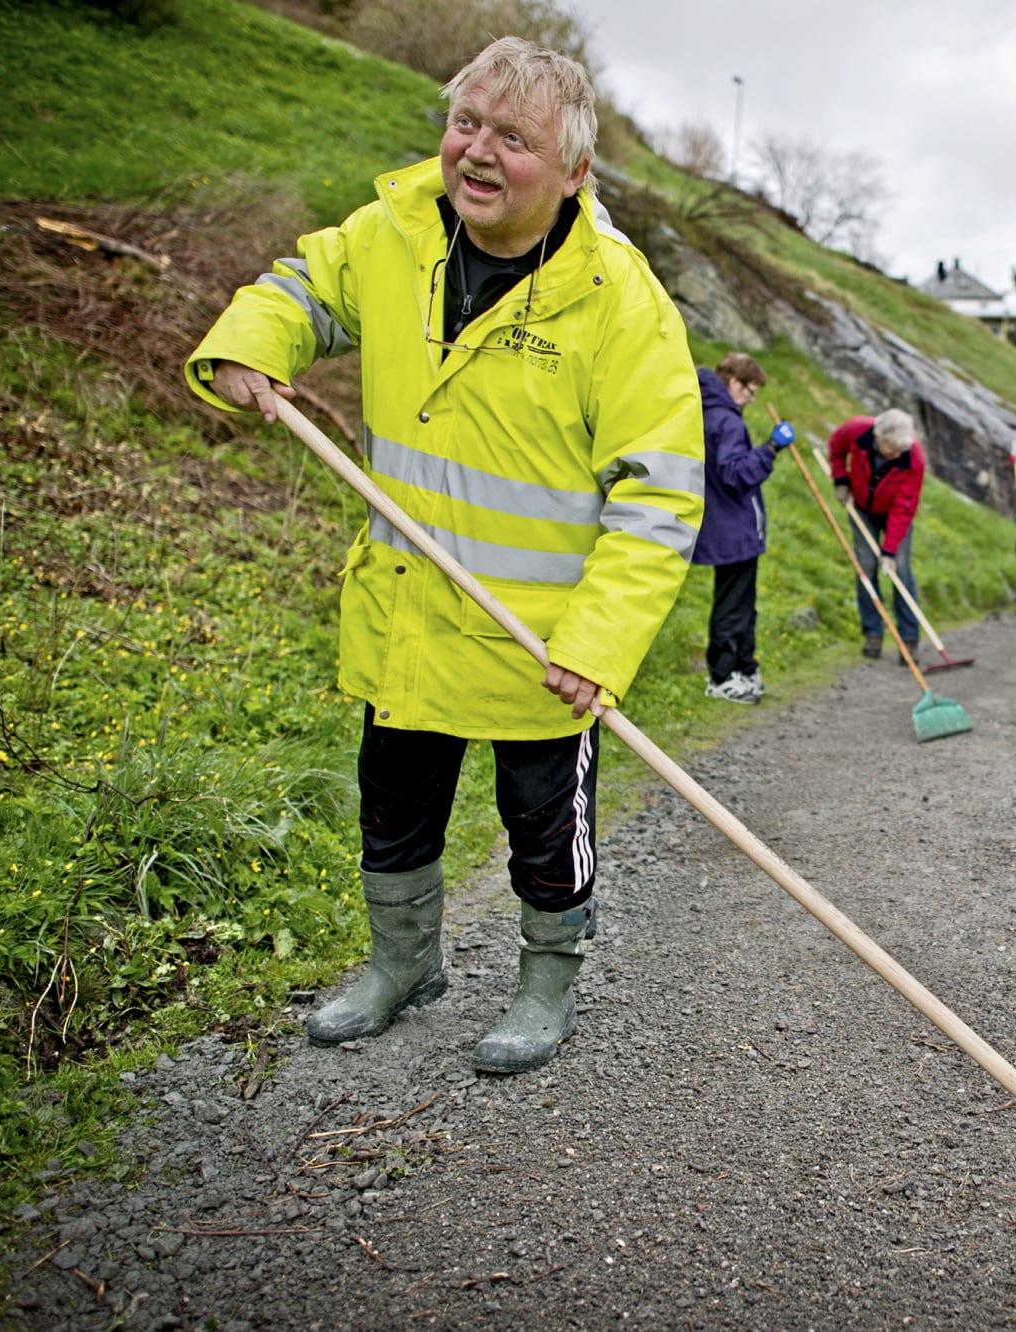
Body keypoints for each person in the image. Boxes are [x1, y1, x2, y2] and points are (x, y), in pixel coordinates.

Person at [183, 37, 703, 1075]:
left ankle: (544, 987)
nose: (476, 152)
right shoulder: (393, 230)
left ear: (573, 173)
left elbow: (658, 496)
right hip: (411, 613)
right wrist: (256, 340)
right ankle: (401, 965)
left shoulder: (619, 302)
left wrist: (597, 643)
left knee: (545, 830)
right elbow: (303, 285)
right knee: (394, 804)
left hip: (540, 648)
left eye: (513, 138)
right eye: (466, 122)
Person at [691, 352, 794, 705]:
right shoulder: (727, 421)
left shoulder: (707, 413)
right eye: (750, 391)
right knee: (733, 606)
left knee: (741, 603)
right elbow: (735, 474)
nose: (752, 399)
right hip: (732, 529)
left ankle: (745, 669)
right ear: (734, 383)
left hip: (729, 527)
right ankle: (722, 677)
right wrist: (771, 448)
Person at [828, 408, 926, 665]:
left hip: (895, 513)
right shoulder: (856, 430)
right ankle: (873, 634)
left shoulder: (913, 458)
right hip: (861, 508)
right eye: (892, 450)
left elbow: (904, 507)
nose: (897, 455)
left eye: (900, 451)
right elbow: (836, 447)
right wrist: (840, 479)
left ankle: (909, 640)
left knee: (900, 571)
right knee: (866, 570)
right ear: (878, 438)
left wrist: (890, 551)